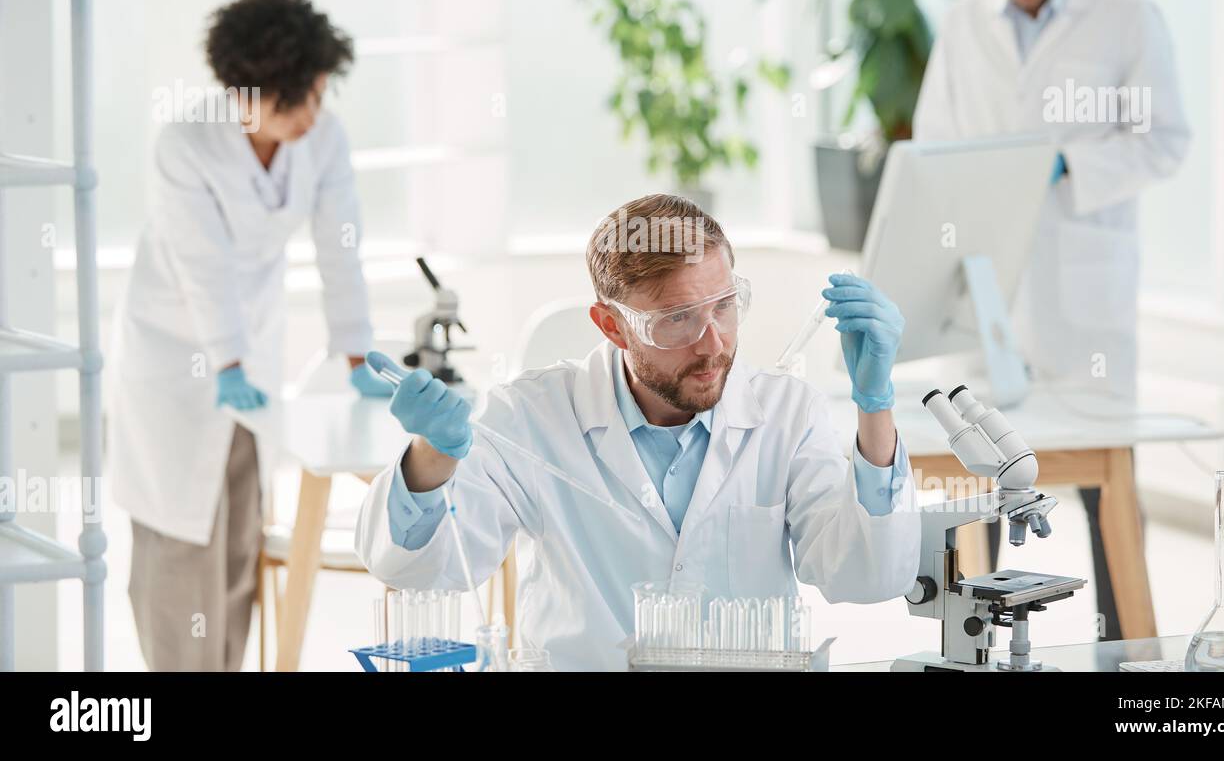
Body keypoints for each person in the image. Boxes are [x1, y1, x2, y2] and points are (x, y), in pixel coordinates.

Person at [356, 194, 921, 670]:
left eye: (724, 306)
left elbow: (868, 574)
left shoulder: (786, 412)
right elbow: (427, 571)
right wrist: (432, 454)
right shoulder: (532, 418)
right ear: (612, 326)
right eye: (676, 319)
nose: (713, 343)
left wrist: (876, 405)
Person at [913, 0, 1191, 638]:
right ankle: (971, 647)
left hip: (1083, 293)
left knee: (1103, 484)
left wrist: (1070, 165)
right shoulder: (966, 24)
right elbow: (934, 143)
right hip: (986, 286)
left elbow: (1167, 140)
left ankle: (1123, 648)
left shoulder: (1130, 18)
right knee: (980, 481)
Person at [107, 0, 394, 671]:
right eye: (298, 99)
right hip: (176, 357)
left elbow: (338, 243)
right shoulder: (186, 145)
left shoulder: (321, 138)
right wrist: (226, 363)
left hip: (250, 355)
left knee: (240, 528)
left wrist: (357, 353)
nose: (311, 114)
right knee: (182, 536)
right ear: (248, 93)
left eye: (320, 95)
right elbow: (201, 266)